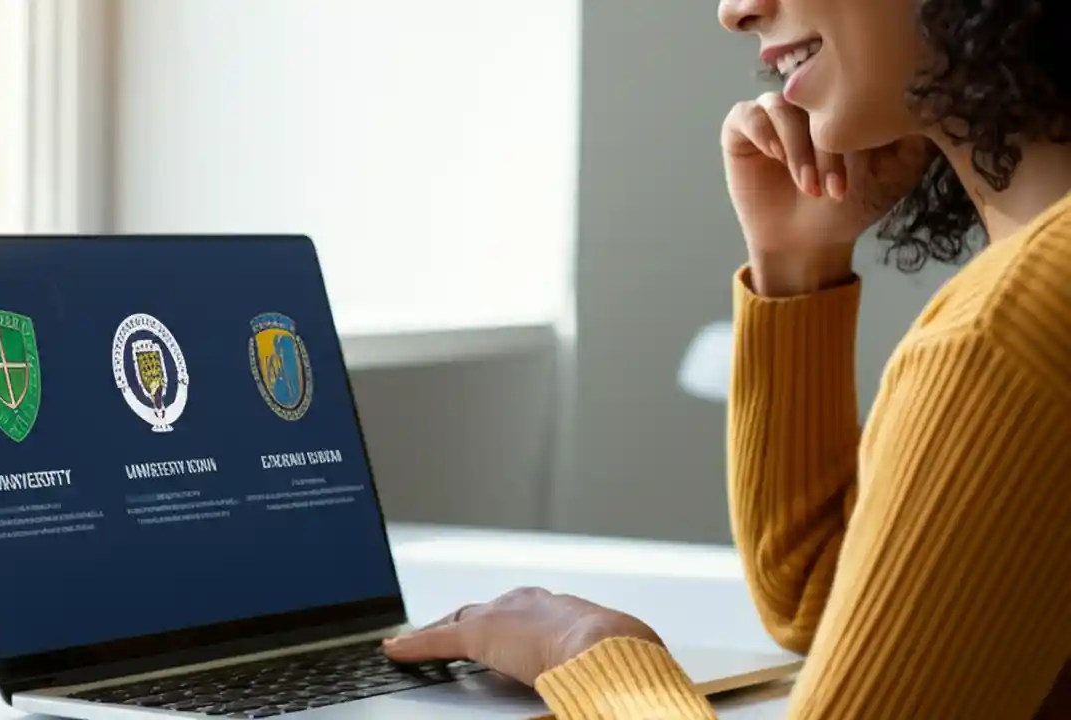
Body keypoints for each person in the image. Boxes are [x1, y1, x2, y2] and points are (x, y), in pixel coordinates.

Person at [383, 0, 1071, 717]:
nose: (736, 10)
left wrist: (589, 657)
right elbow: (822, 596)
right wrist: (797, 261)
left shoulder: (1008, 329)